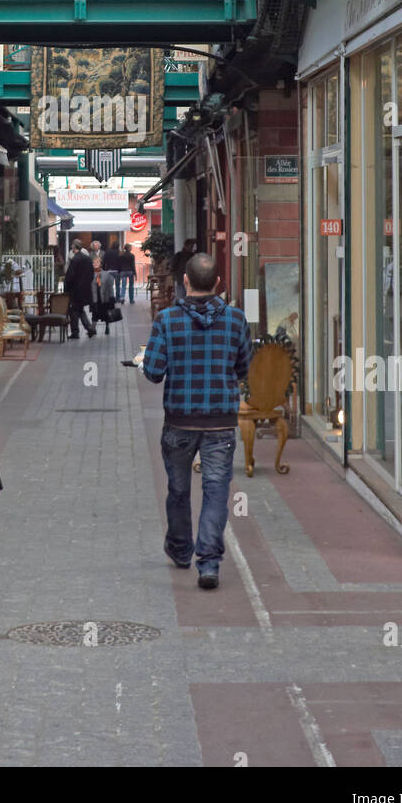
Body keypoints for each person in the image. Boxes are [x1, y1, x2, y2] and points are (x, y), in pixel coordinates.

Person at [142, 252, 252, 590]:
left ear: (185, 281)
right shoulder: (236, 320)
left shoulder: (166, 320)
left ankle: (179, 548)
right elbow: (244, 367)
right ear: (218, 283)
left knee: (178, 489)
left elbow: (153, 372)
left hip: (179, 421)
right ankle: (209, 563)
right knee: (217, 490)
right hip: (221, 421)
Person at [64, 239, 95, 339]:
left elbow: (70, 276)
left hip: (75, 290)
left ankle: (75, 332)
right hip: (85, 290)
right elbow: (91, 275)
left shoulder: (75, 259)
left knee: (73, 311)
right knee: (80, 309)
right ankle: (89, 328)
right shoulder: (87, 259)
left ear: (74, 247)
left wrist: (66, 288)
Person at [91, 263, 117, 334]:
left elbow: (110, 287)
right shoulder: (92, 274)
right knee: (98, 314)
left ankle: (102, 328)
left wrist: (111, 297)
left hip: (103, 298)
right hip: (99, 298)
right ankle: (96, 328)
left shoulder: (105, 275)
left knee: (102, 314)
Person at [171, 237, 197, 304]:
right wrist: (176, 278)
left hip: (191, 282)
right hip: (181, 281)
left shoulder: (193, 256)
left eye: (192, 246)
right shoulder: (179, 256)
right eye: (190, 246)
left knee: (189, 300)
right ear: (185, 246)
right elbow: (173, 268)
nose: (191, 247)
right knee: (181, 299)